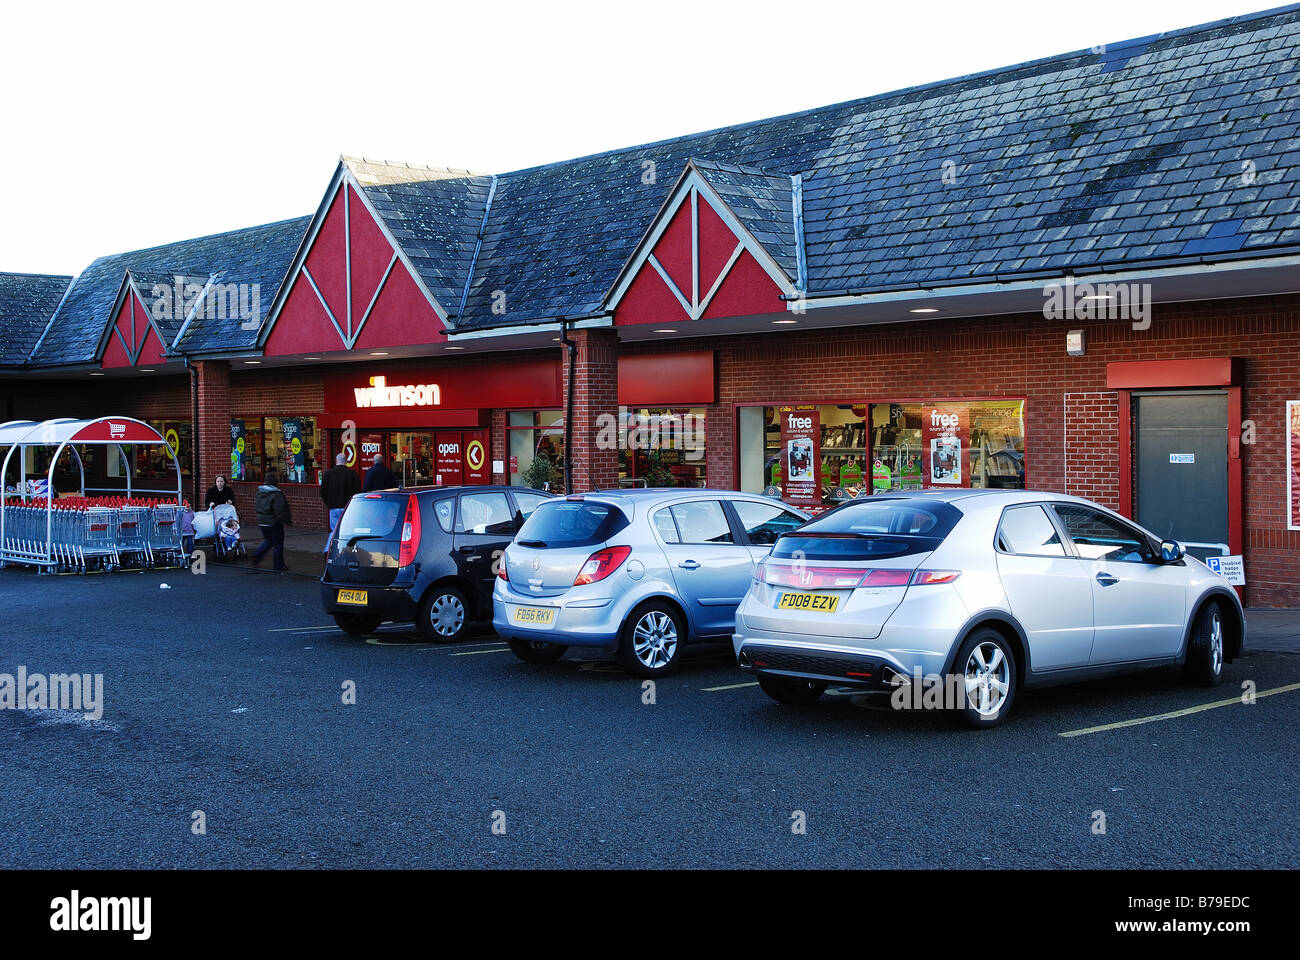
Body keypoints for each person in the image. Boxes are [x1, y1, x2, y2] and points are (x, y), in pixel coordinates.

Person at [249, 470, 292, 571]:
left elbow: (256, 506)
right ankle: (278, 565)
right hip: (274, 522)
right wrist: (285, 520)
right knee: (278, 544)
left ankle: (257, 556)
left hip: (262, 521)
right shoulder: (277, 494)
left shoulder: (260, 493)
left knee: (269, 540)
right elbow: (280, 509)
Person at [320, 452, 360, 554]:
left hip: (333, 507)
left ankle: (328, 550)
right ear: (346, 461)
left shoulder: (328, 474)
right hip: (348, 507)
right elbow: (357, 491)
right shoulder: (352, 474)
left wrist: (328, 503)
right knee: (348, 529)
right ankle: (347, 550)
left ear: (336, 461)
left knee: (334, 530)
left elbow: (323, 491)